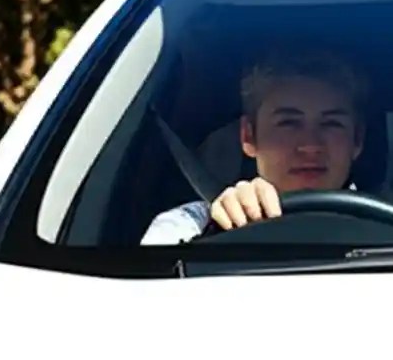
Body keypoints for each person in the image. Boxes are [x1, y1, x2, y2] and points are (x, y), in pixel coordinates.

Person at [140, 45, 369, 245]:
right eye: (288, 123)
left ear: (357, 139)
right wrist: (220, 236)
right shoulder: (190, 226)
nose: (310, 146)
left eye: (331, 123)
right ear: (249, 136)